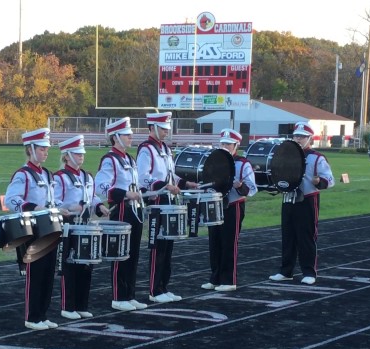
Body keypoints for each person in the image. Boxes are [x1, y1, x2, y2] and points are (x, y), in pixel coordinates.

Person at [136, 111, 196, 303]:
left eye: (167, 129)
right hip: (157, 203)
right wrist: (164, 186)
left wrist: (186, 183)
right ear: (152, 127)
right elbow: (143, 177)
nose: (165, 132)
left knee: (168, 248)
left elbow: (172, 176)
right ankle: (154, 290)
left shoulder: (166, 149)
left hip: (169, 202)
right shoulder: (146, 149)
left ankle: (164, 286)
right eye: (162, 129)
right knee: (158, 248)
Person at [6, 128, 61, 330]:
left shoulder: (47, 173)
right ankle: (31, 316)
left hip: (50, 228)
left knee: (48, 272)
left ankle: (42, 314)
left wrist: (61, 207)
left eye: (47, 149)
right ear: (30, 149)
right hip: (33, 229)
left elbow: (51, 199)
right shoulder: (23, 174)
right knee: (36, 273)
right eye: (42, 148)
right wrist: (35, 208)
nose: (46, 152)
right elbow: (12, 200)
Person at [268, 122, 334, 285]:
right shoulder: (285, 154)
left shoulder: (317, 157)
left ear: (310, 138)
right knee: (288, 236)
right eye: (296, 136)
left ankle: (309, 272)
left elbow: (330, 180)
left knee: (306, 236)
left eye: (302, 136)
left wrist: (319, 181)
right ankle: (286, 271)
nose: (298, 139)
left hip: (307, 199)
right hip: (288, 198)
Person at [96, 117, 147, 311]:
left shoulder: (129, 158)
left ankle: (129, 294)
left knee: (133, 254)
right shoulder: (110, 159)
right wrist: (125, 194)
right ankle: (118, 296)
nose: (131, 137)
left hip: (135, 210)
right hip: (121, 211)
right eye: (127, 134)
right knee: (121, 254)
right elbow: (101, 186)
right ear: (116, 137)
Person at [53, 134, 107, 319]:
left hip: (85, 225)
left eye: (82, 154)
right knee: (70, 266)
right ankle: (68, 307)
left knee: (86, 265)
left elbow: (91, 197)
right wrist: (68, 207)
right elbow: (54, 201)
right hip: (69, 226)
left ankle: (82, 304)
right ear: (66, 156)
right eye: (77, 154)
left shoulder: (87, 176)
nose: (81, 157)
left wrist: (99, 206)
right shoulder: (60, 177)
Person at [203, 129, 257, 291]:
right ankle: (215, 278)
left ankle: (228, 280)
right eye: (223, 143)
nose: (225, 146)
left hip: (233, 206)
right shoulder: (215, 160)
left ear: (236, 145)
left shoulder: (242, 163)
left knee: (229, 243)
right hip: (215, 205)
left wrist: (240, 186)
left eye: (228, 144)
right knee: (214, 242)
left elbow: (252, 188)